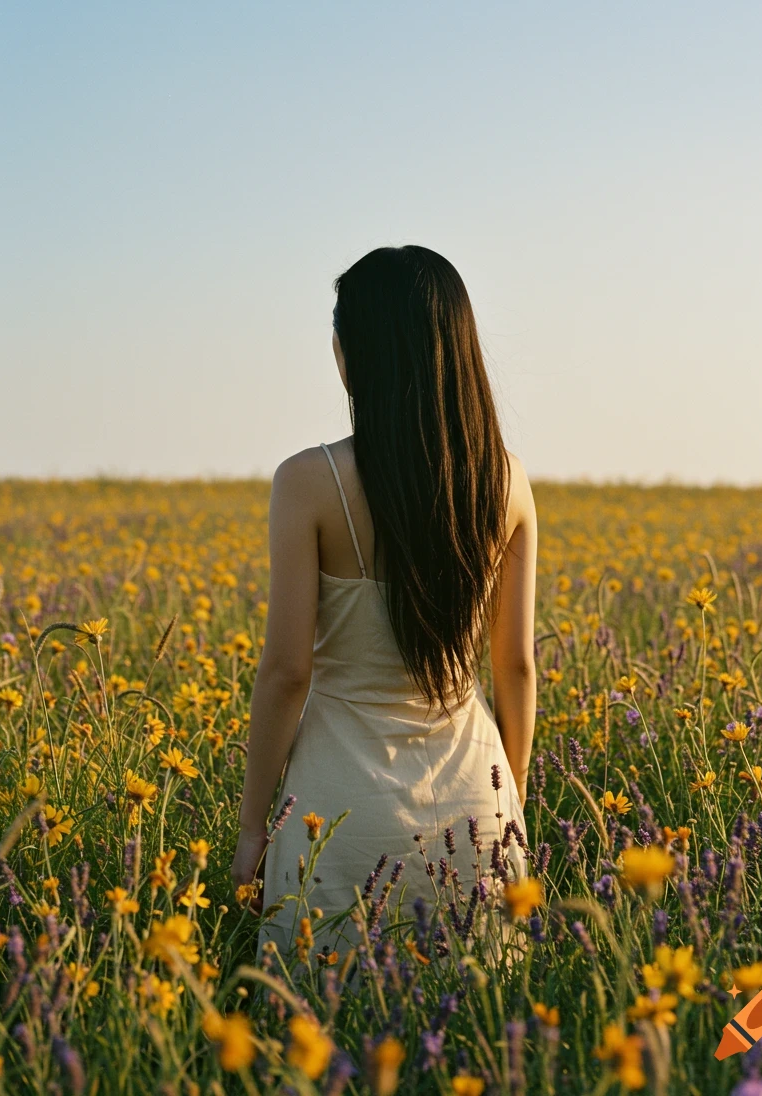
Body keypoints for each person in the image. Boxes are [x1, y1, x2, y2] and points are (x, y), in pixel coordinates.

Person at [230, 245, 538, 970]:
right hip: (479, 811)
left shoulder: (308, 481)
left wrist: (250, 832)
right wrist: (509, 815)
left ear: (350, 352)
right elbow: (516, 669)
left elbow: (286, 673)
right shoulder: (509, 483)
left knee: (319, 1049)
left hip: (338, 818)